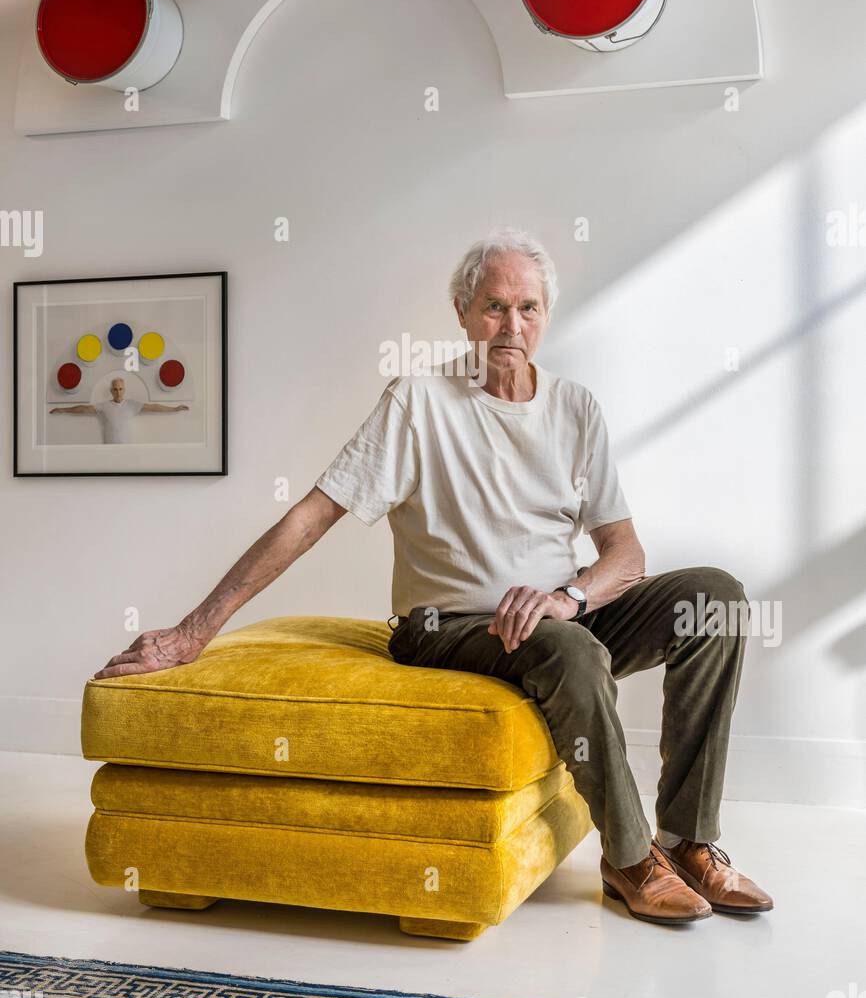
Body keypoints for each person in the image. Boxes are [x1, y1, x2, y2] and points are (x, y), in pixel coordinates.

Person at [92, 229, 772, 925]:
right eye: (494, 306)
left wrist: (571, 597)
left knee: (714, 598)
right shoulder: (417, 402)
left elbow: (625, 554)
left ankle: (687, 842)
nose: (511, 326)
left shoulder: (575, 409)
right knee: (570, 650)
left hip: (560, 616)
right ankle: (630, 860)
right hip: (448, 627)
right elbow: (312, 515)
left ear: (546, 316)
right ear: (462, 310)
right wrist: (192, 630)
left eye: (528, 309)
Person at [51, 375, 189, 443]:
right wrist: (63, 410)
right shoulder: (103, 406)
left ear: (124, 390)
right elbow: (83, 409)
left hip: (128, 451)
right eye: (115, 389)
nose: (118, 392)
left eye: (120, 389)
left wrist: (174, 408)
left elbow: (153, 407)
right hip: (108, 451)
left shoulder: (132, 404)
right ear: (111, 391)